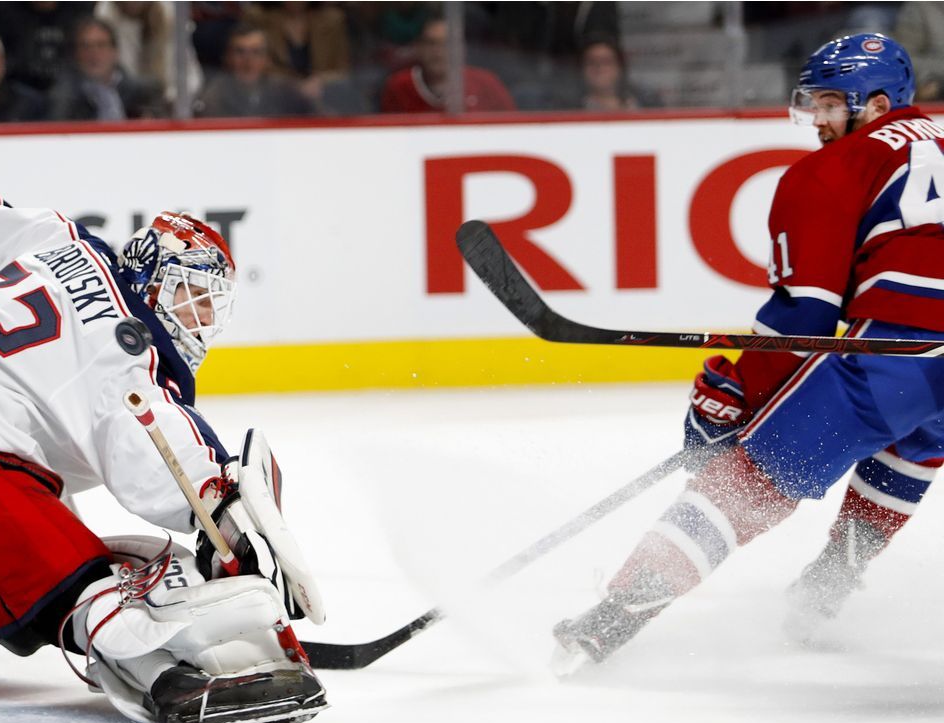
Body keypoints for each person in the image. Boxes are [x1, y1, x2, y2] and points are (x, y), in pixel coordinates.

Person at [552, 32, 944, 670]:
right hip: (922, 356)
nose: (818, 119)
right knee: (919, 442)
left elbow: (805, 316)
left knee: (750, 477)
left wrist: (734, 393)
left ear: (875, 105)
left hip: (898, 355)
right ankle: (825, 590)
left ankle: (611, 619)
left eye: (829, 103)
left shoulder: (831, 167)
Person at [0, 190, 328, 723]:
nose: (198, 319)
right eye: (191, 295)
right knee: (79, 570)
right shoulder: (127, 351)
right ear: (154, 277)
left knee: (59, 524)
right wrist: (235, 530)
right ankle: (168, 680)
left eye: (208, 305)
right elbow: (177, 468)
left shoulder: (57, 238)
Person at [379, 14, 516, 114]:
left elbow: (511, 130)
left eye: (448, 44)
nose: (438, 51)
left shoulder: (487, 83)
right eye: (431, 43)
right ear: (418, 47)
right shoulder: (398, 86)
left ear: (462, 48)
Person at [47, 16, 167, 121]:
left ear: (115, 51)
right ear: (75, 54)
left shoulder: (143, 92)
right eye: (86, 46)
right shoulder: (64, 99)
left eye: (101, 45)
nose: (94, 53)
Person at [194, 23, 313, 118]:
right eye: (240, 52)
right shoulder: (214, 94)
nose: (248, 60)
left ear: (267, 59)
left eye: (256, 52)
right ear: (228, 58)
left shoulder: (287, 90)